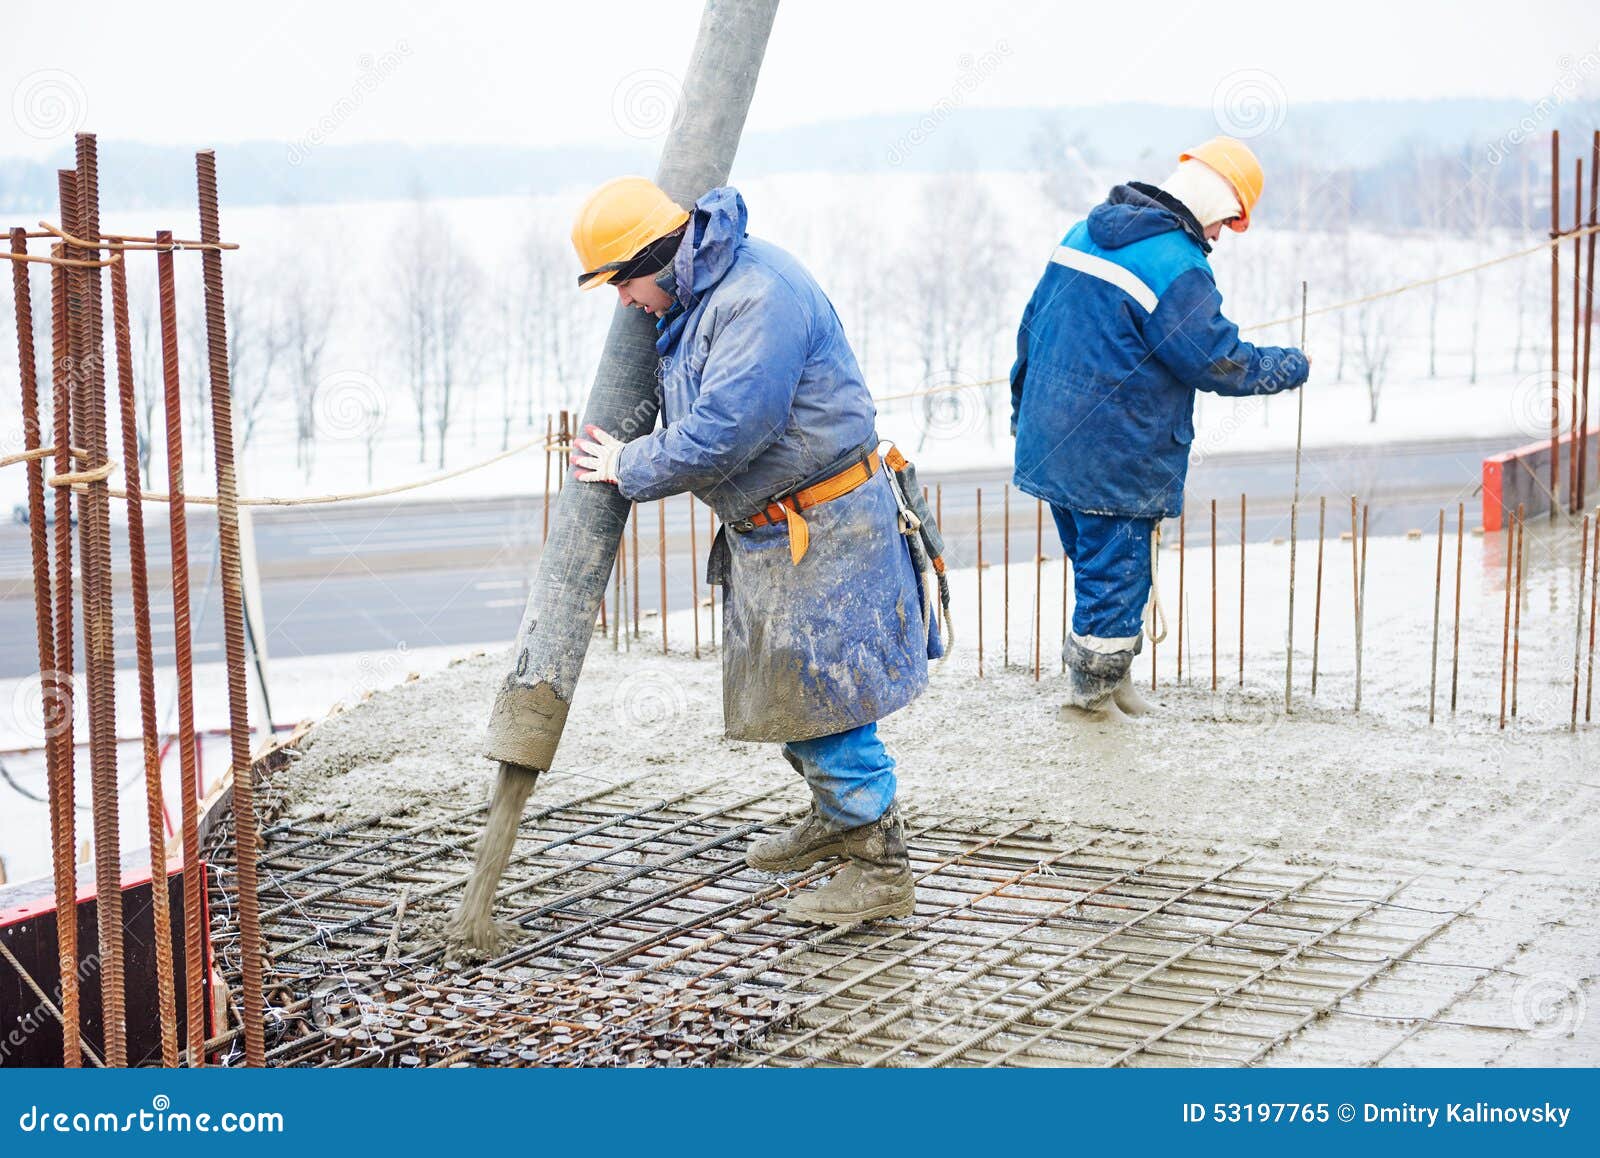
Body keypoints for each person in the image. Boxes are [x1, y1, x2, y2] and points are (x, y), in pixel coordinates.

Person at [568, 176, 940, 924]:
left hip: (826, 528)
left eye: (623, 282)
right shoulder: (706, 292)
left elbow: (726, 431)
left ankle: (879, 867)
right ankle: (839, 819)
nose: (623, 301)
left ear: (658, 256)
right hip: (785, 529)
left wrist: (627, 463)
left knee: (832, 708)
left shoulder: (754, 297)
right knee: (798, 705)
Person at [1009, 136, 1310, 717]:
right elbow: (1217, 359)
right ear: (1213, 202)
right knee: (1117, 576)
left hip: (1052, 443)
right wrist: (1290, 366)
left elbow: (1030, 330)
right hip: (1115, 456)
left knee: (1099, 575)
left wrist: (1024, 419)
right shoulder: (1176, 264)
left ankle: (1111, 688)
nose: (1221, 235)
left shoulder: (1081, 234)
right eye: (1226, 221)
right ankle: (1090, 707)